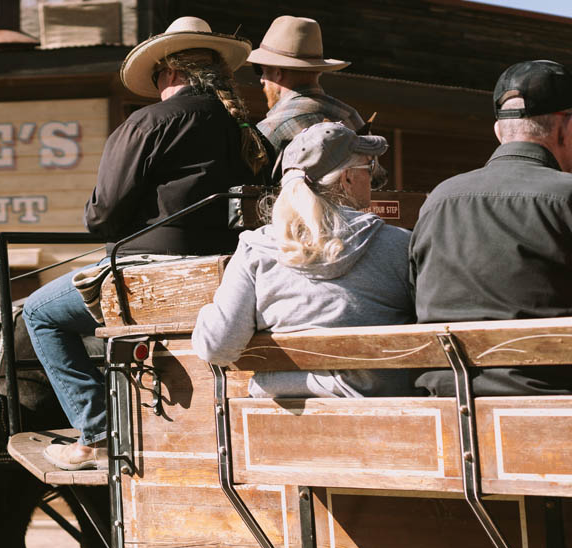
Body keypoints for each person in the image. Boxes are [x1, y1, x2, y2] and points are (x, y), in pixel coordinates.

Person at [25, 16, 269, 470]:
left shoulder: (152, 121)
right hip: (229, 275)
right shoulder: (248, 131)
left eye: (158, 76)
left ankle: (96, 432)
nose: (156, 85)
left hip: (156, 276)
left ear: (171, 73)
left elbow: (102, 215)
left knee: (38, 313)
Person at [192, 122, 415, 397]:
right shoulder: (398, 245)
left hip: (275, 420)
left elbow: (216, 346)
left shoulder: (257, 249)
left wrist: (206, 311)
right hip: (388, 420)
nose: (375, 179)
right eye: (369, 169)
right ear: (346, 178)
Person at [411, 60, 572, 396]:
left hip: (449, 405)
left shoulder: (437, 200)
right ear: (565, 129)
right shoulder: (565, 196)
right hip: (551, 405)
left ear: (499, 131)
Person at [248, 16, 364, 157]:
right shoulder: (351, 117)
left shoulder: (273, 127)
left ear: (278, 73)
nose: (261, 80)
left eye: (261, 71)